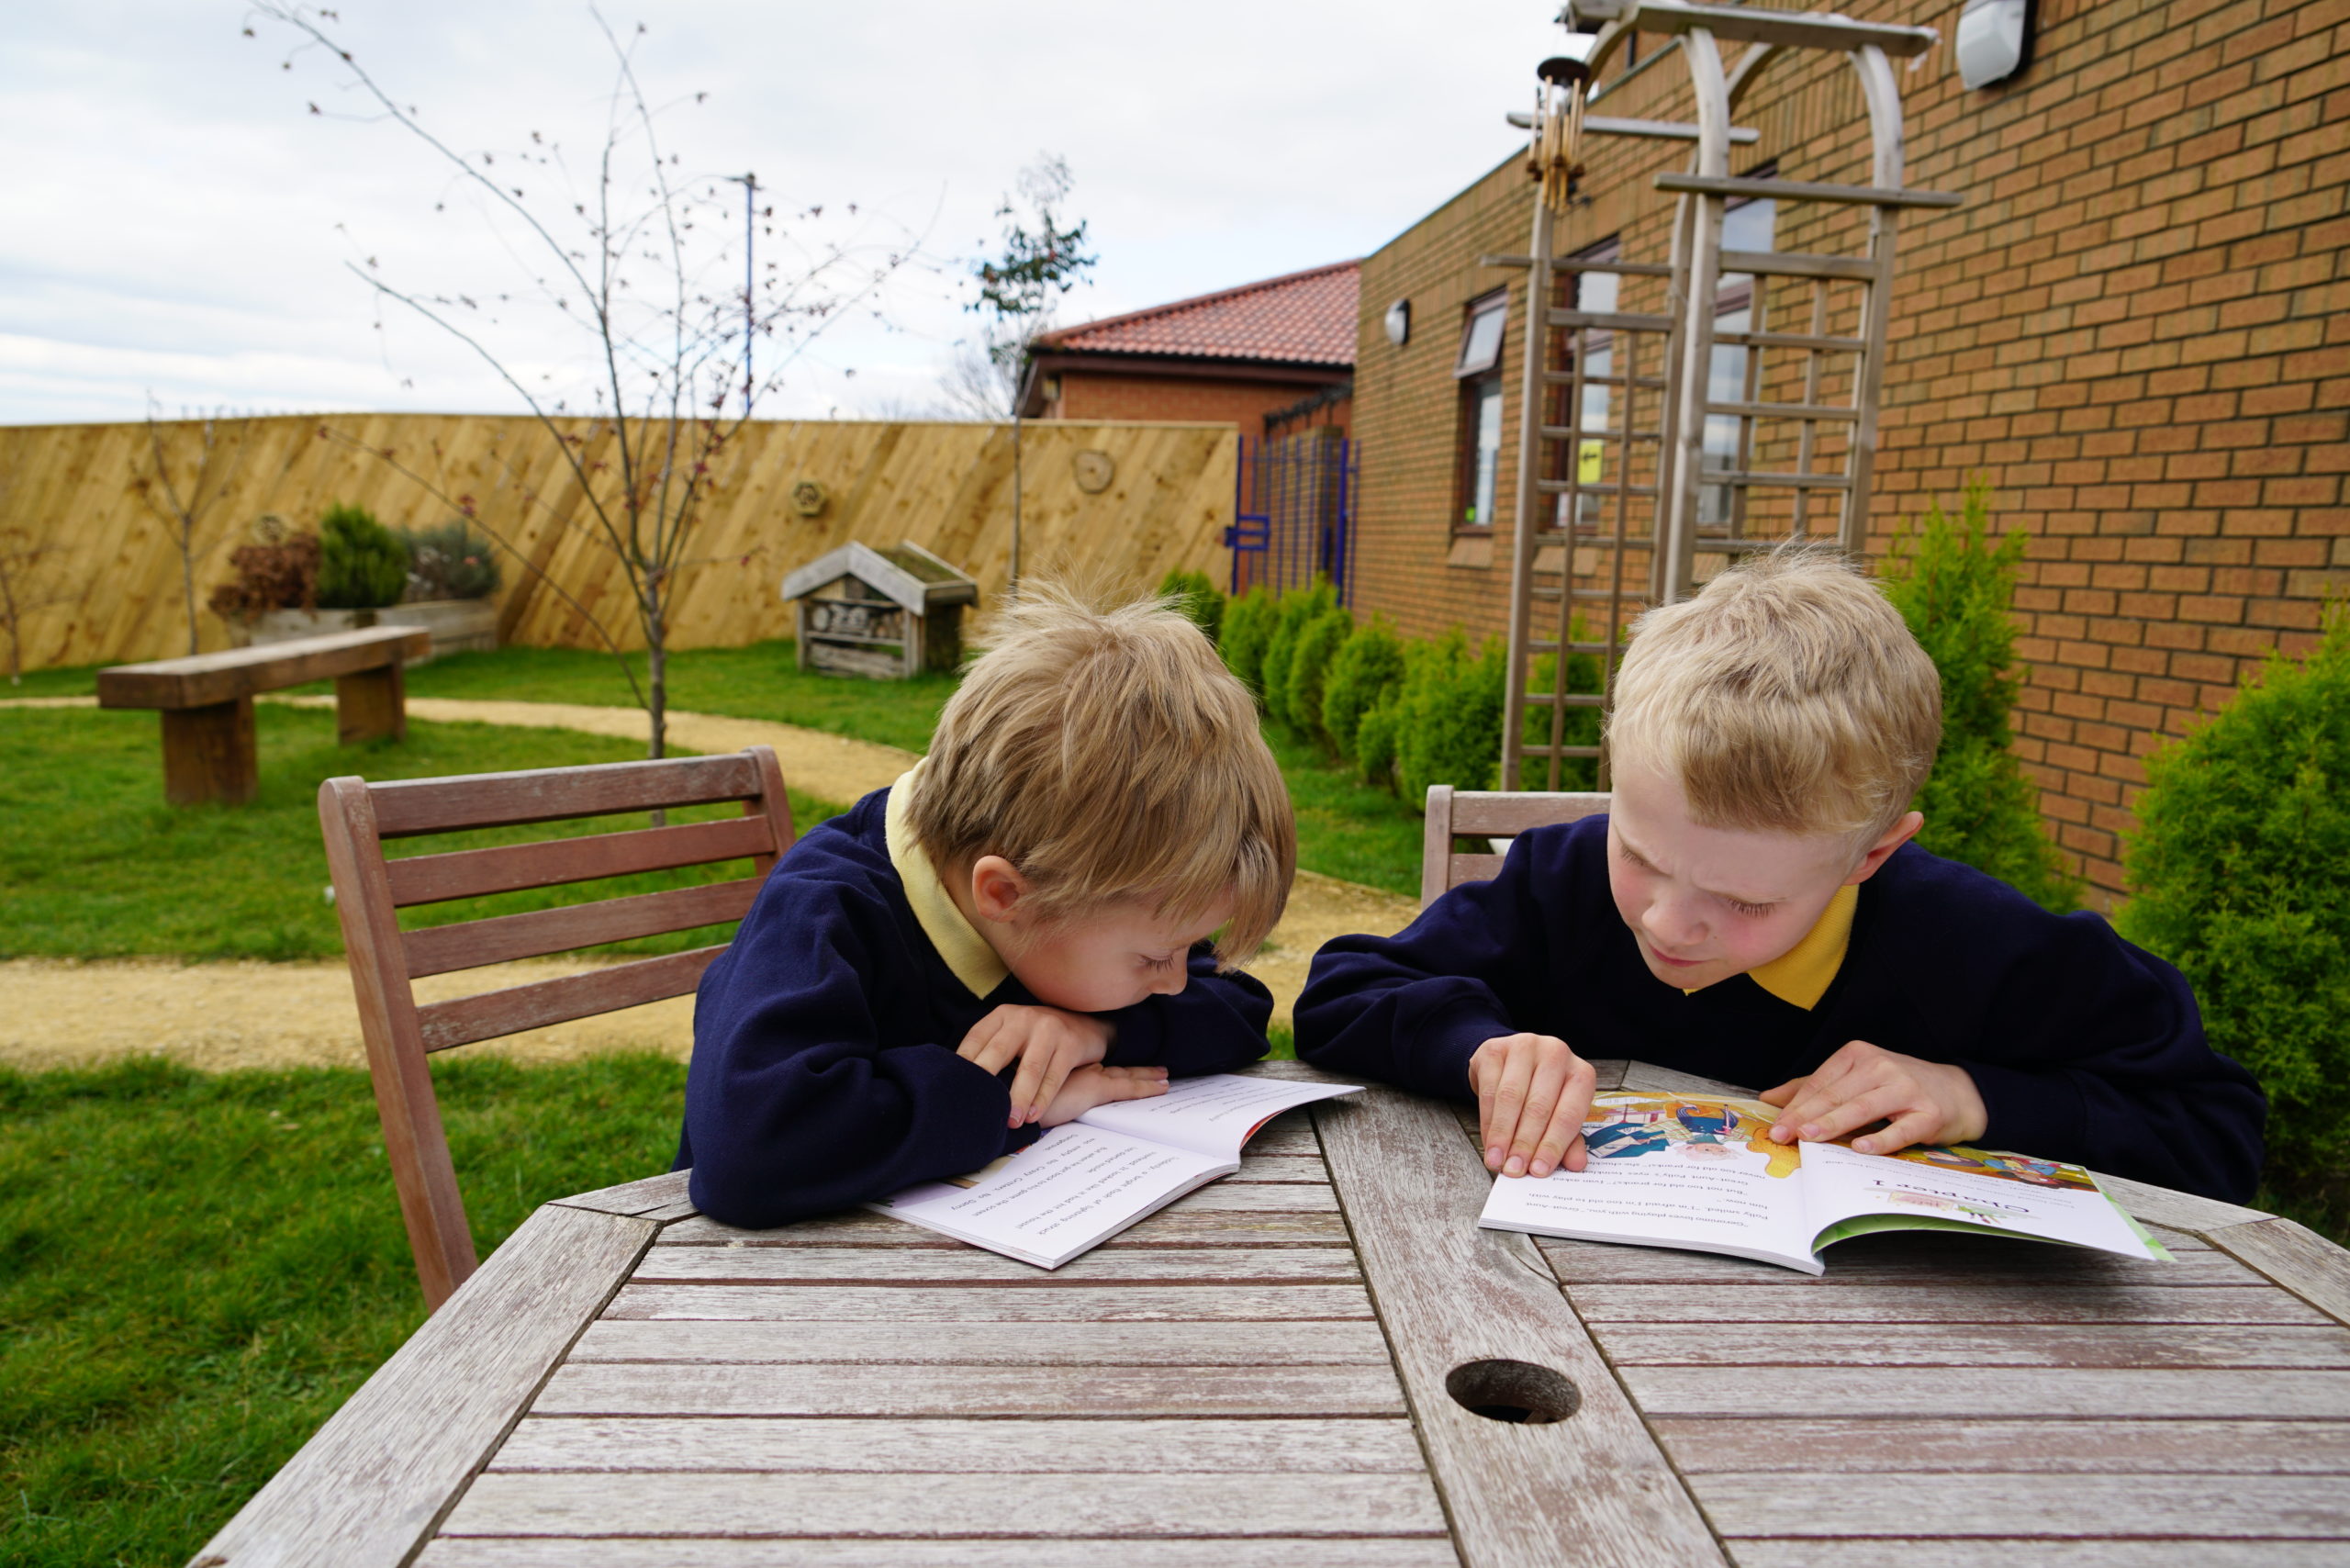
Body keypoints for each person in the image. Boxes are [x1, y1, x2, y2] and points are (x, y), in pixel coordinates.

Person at [1295, 550, 2265, 1203]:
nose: (1670, 924)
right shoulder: (1560, 877)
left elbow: (2216, 1133)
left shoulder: (1980, 947)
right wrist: (1478, 1046)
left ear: (1870, 855)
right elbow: (1341, 991)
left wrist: (1974, 1096)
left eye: (1747, 901)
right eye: (1639, 852)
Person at [680, 583, 1295, 1228]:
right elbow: (750, 1151)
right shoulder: (823, 914)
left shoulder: (1090, 882)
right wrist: (1011, 1100)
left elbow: (1241, 1007)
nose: (1174, 980)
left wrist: (1095, 1033)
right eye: (1151, 958)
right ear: (1005, 895)